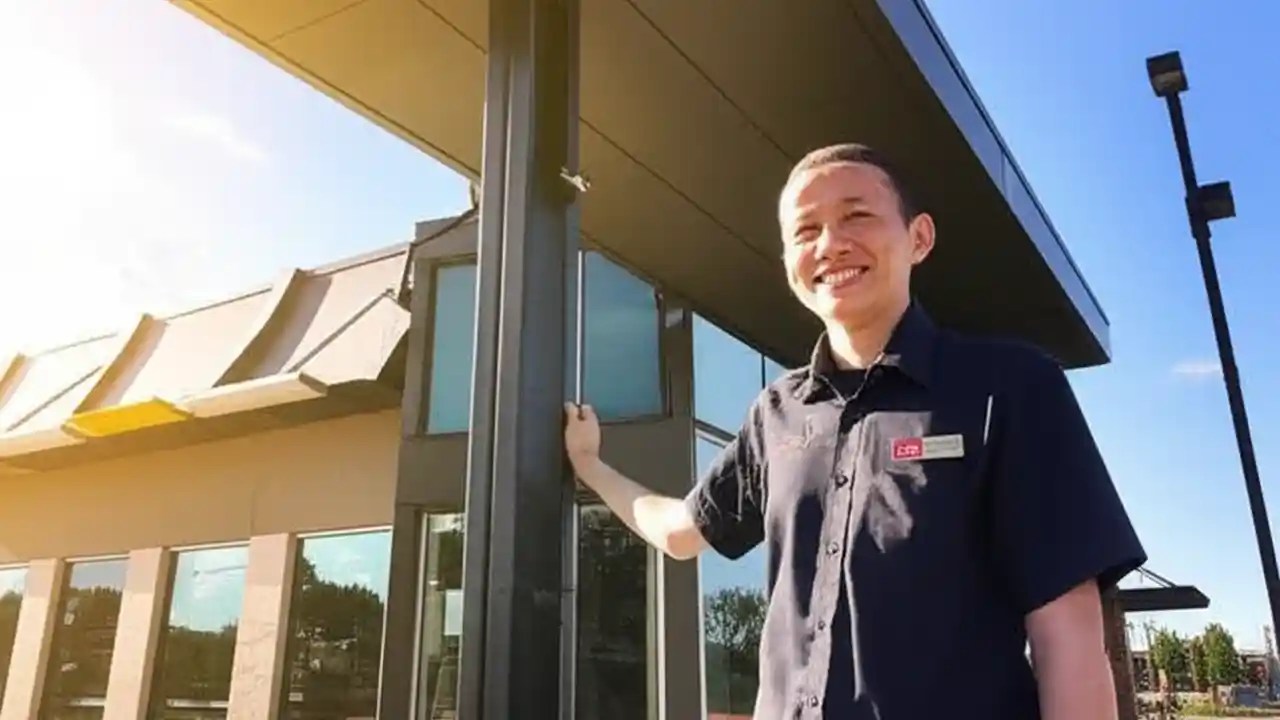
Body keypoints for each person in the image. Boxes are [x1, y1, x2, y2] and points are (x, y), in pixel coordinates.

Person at [563, 143, 1146, 719]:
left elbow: (1067, 640)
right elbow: (679, 533)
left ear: (919, 238)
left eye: (856, 216)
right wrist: (591, 465)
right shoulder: (776, 413)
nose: (829, 244)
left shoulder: (1012, 387)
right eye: (805, 230)